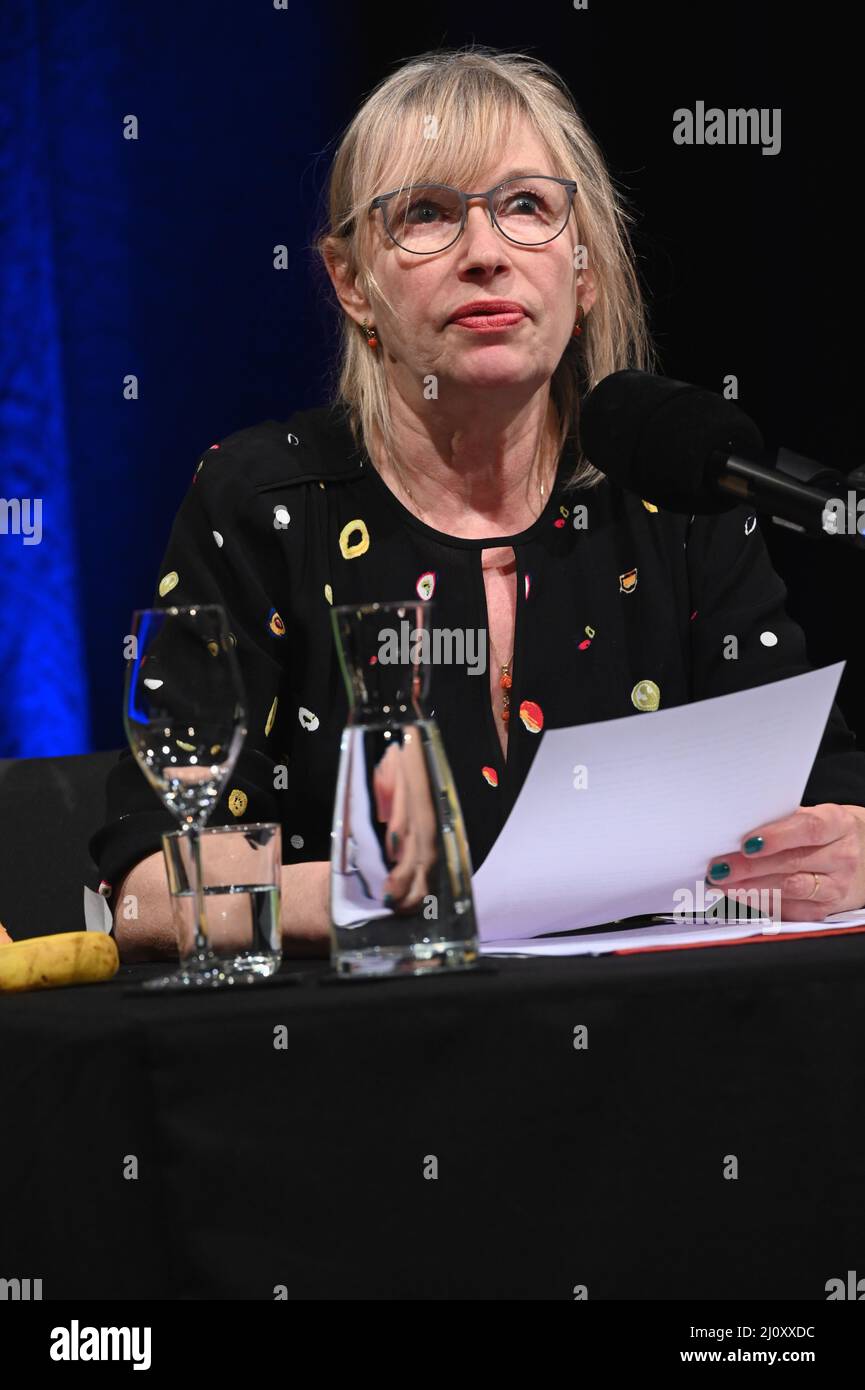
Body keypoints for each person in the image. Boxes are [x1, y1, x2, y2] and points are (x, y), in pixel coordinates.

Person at [88, 46, 865, 961]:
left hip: (657, 1058)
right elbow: (148, 885)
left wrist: (846, 848)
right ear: (351, 283)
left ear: (581, 274)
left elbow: (825, 793)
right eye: (426, 214)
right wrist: (408, 897)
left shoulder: (679, 492)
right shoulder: (263, 503)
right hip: (352, 1068)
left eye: (526, 206)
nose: (485, 254)